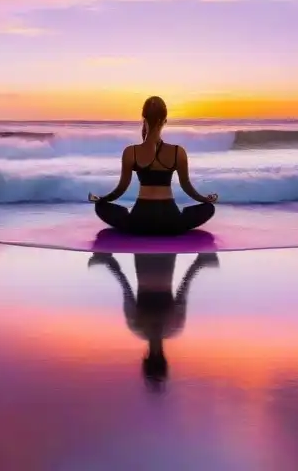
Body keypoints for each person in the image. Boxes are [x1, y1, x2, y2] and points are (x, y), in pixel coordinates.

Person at [88, 250, 220, 390]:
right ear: (163, 361)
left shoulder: (145, 326)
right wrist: (201, 261)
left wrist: (106, 259)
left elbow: (124, 284)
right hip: (158, 253)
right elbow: (185, 285)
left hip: (149, 253)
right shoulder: (164, 326)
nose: (156, 356)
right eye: (159, 361)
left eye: (154, 361)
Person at [88, 96, 219, 235]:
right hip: (170, 221)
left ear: (144, 119)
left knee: (101, 207)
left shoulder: (131, 152)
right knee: (208, 208)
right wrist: (204, 199)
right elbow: (187, 187)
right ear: (165, 121)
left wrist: (102, 200)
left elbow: (120, 189)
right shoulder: (177, 152)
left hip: (140, 221)